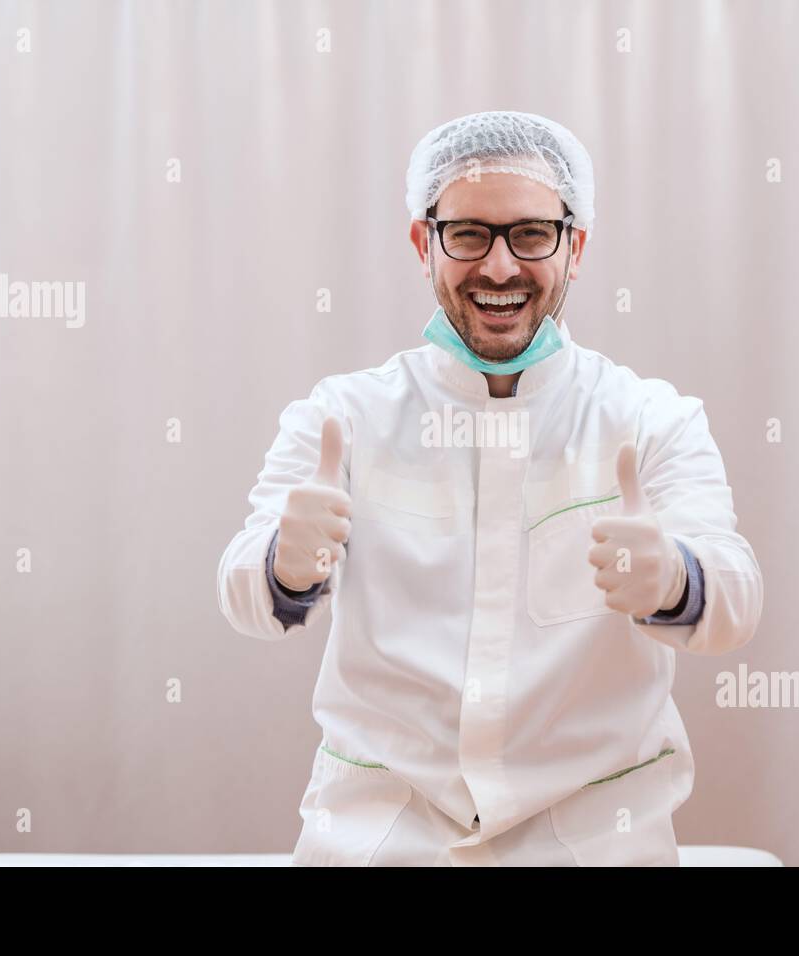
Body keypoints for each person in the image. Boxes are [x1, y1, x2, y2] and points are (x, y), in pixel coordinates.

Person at [217, 110, 763, 866]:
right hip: (380, 832)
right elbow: (241, 592)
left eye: (531, 234)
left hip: (594, 836)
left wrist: (676, 579)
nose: (499, 268)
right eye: (469, 234)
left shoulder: (651, 419)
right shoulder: (343, 418)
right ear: (423, 242)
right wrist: (283, 564)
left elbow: (736, 602)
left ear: (576, 246)